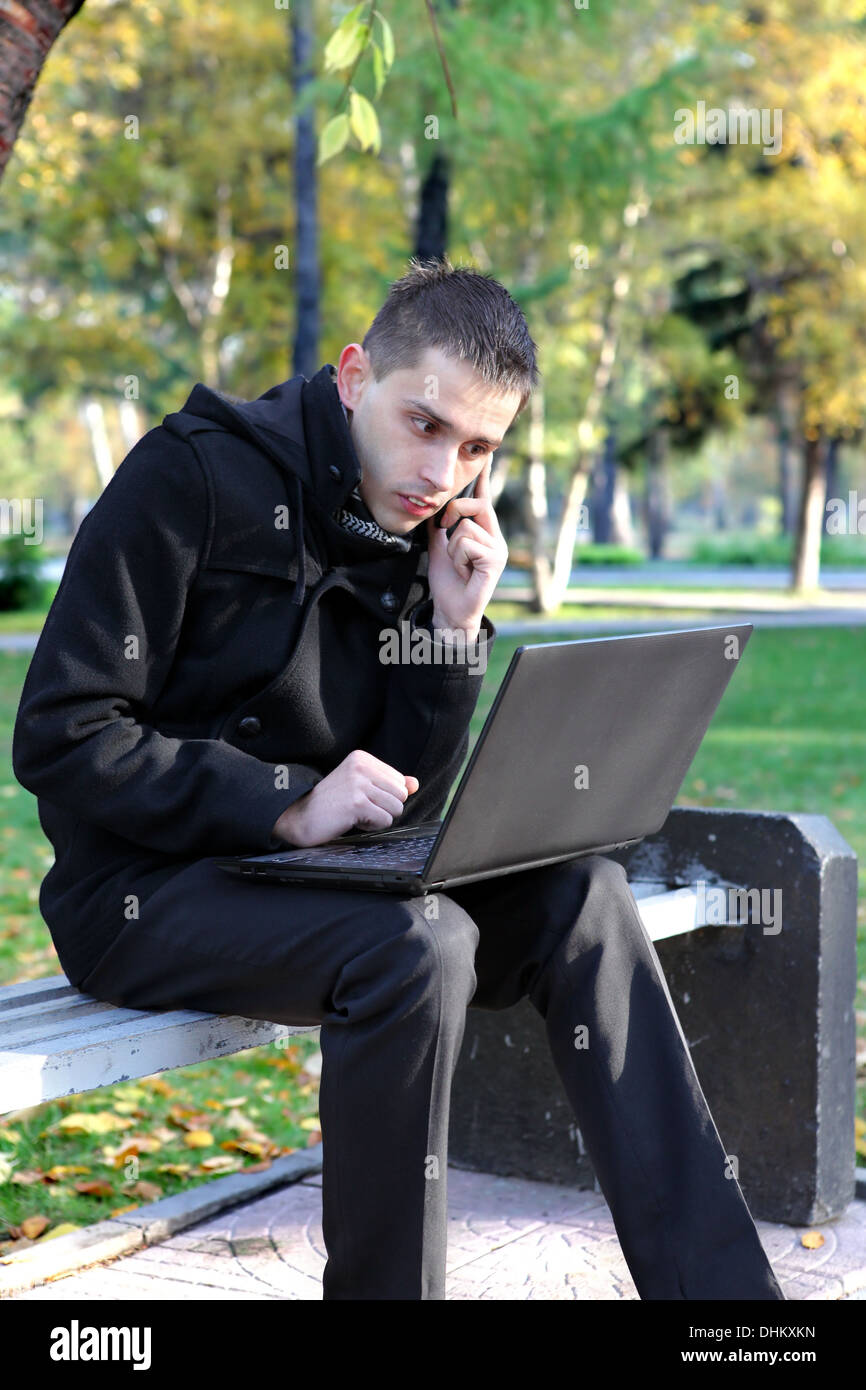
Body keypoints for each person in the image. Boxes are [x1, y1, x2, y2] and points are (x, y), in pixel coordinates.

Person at [12, 258, 785, 1301]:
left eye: (476, 446)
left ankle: (725, 1313)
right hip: (144, 895)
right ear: (351, 376)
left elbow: (407, 796)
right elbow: (63, 733)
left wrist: (454, 628)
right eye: (423, 423)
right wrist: (279, 801)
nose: (442, 470)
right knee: (420, 944)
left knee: (585, 896)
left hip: (330, 883)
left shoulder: (423, 533)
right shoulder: (187, 476)